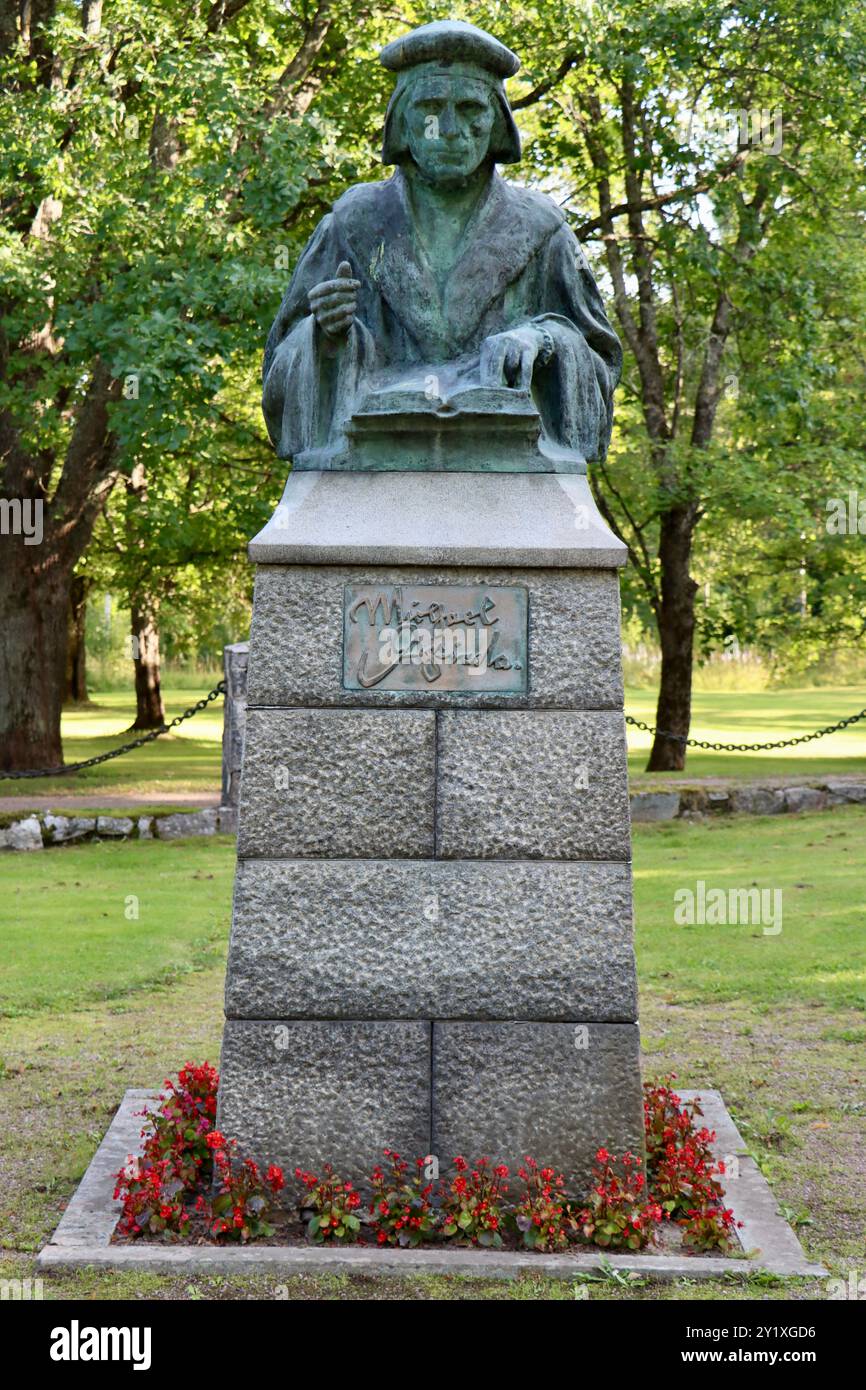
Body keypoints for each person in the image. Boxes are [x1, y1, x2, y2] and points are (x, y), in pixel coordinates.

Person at [262, 20, 622, 471]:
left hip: (509, 465)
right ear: (402, 122)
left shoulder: (543, 232)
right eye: (431, 106)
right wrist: (326, 336)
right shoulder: (349, 226)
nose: (449, 128)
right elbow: (280, 371)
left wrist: (541, 340)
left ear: (497, 124)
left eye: (471, 108)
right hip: (368, 461)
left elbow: (600, 367)